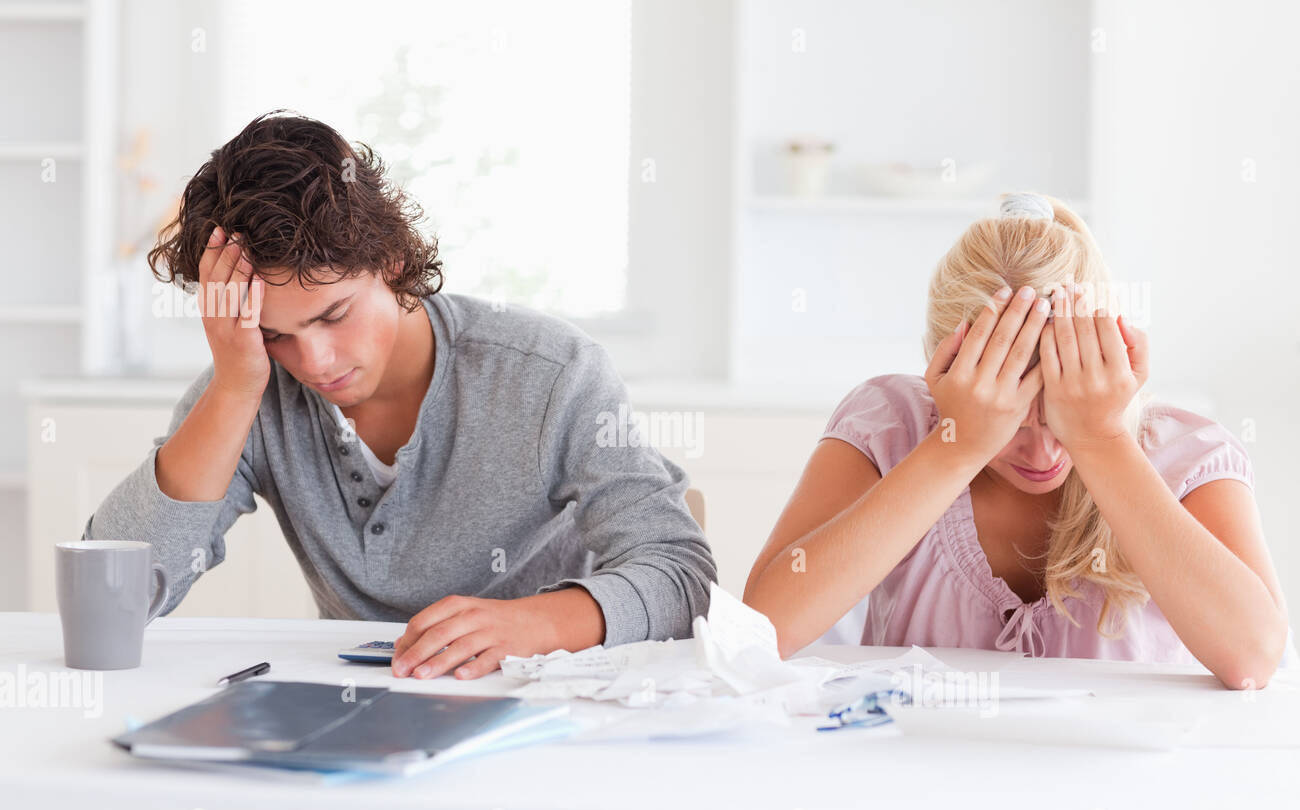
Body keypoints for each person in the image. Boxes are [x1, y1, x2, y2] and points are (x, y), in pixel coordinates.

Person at [82, 110, 715, 680]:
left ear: (390, 261)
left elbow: (682, 577)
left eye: (333, 315)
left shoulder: (551, 374)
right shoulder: (246, 381)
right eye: (276, 334)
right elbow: (111, 599)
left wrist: (536, 623)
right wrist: (236, 386)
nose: (314, 362)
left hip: (544, 700)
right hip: (359, 712)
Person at [744, 191, 1292, 690]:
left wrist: (1100, 438)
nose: (1043, 455)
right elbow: (764, 628)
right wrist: (957, 446)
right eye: (1011, 426)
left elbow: (1253, 658)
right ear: (942, 378)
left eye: (1060, 425)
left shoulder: (1187, 456)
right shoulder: (891, 427)